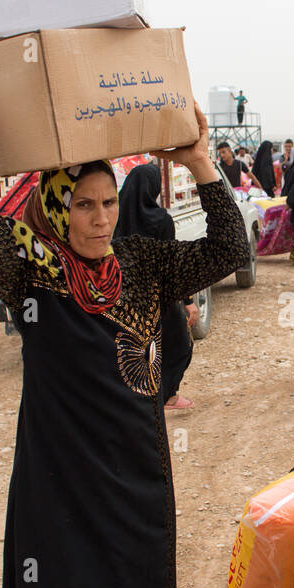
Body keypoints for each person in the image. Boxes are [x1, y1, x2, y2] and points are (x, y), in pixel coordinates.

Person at [0, 39, 249, 588]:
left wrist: (200, 159)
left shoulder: (141, 263)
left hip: (137, 486)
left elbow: (230, 249)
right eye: (84, 205)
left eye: (109, 202)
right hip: (60, 490)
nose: (102, 218)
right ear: (58, 208)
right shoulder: (29, 273)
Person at [115, 163, 198, 411]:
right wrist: (187, 301)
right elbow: (171, 265)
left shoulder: (115, 218)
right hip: (160, 298)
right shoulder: (161, 220)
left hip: (125, 297)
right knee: (180, 345)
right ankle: (168, 395)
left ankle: (139, 399)